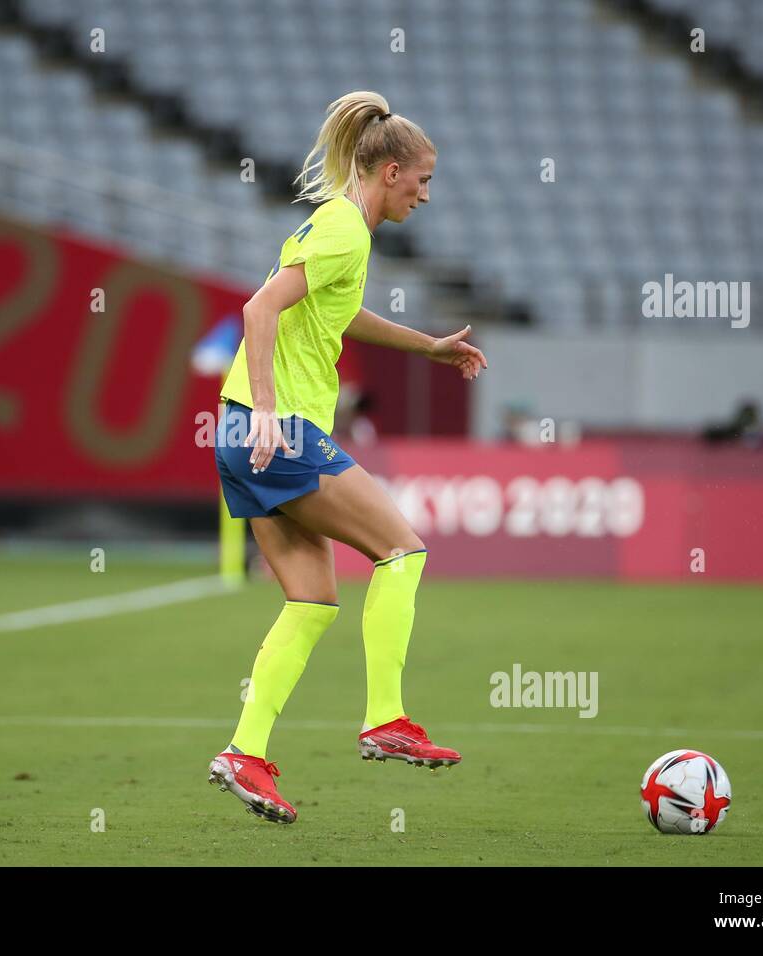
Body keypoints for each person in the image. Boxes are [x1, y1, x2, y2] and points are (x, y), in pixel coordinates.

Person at [208, 91, 487, 823]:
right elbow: (258, 308)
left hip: (239, 433)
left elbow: (334, 312)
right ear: (391, 170)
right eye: (422, 180)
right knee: (403, 549)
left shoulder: (340, 230)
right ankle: (385, 719)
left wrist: (427, 345)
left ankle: (245, 750)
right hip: (281, 431)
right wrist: (271, 412)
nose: (426, 195)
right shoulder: (343, 230)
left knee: (312, 601)